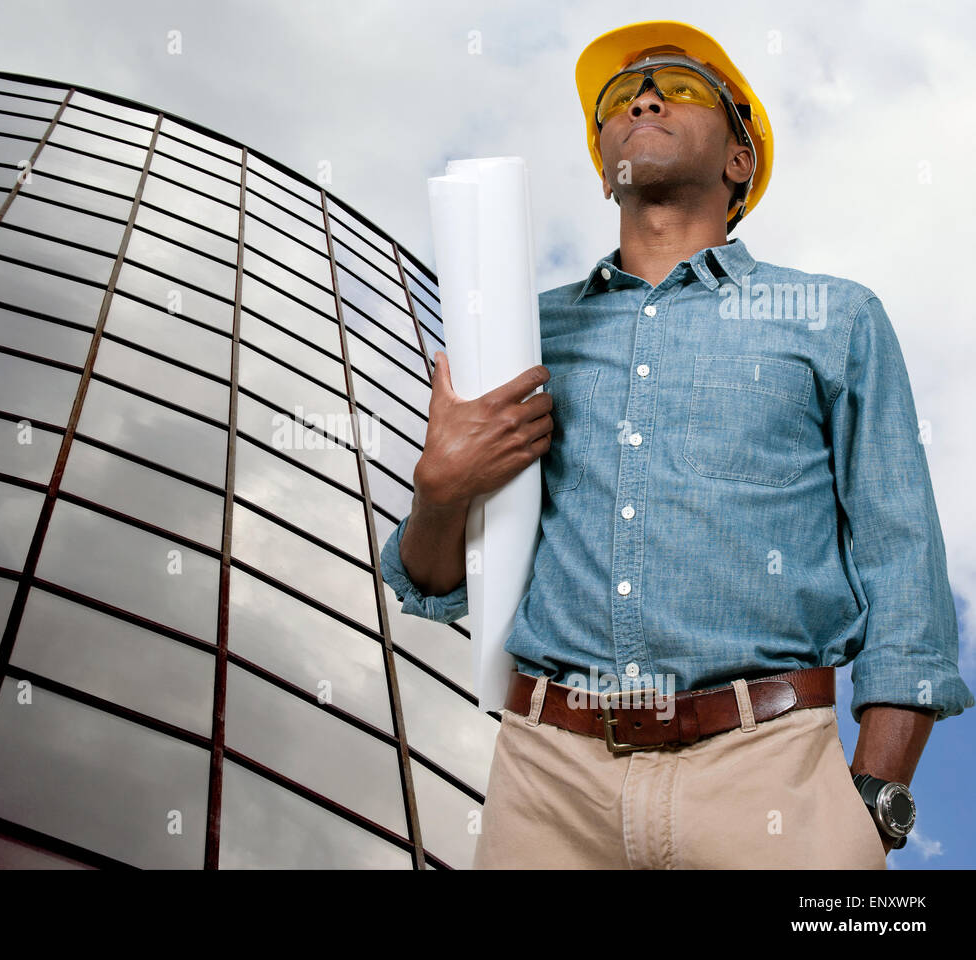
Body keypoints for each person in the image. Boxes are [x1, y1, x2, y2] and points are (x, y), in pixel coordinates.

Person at [380, 19, 973, 869]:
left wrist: (874, 802)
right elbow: (437, 586)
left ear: (740, 159)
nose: (643, 100)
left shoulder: (834, 318)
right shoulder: (524, 333)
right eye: (620, 98)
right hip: (548, 785)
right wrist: (439, 490)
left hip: (770, 775)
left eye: (679, 88)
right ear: (605, 169)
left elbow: (903, 568)